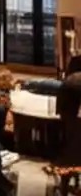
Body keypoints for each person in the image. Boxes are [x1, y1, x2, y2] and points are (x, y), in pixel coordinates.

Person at [55, 56, 81, 192]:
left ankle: (64, 185)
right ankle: (76, 184)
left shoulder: (68, 81)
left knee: (67, 156)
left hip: (67, 122)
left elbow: (59, 106)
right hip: (78, 123)